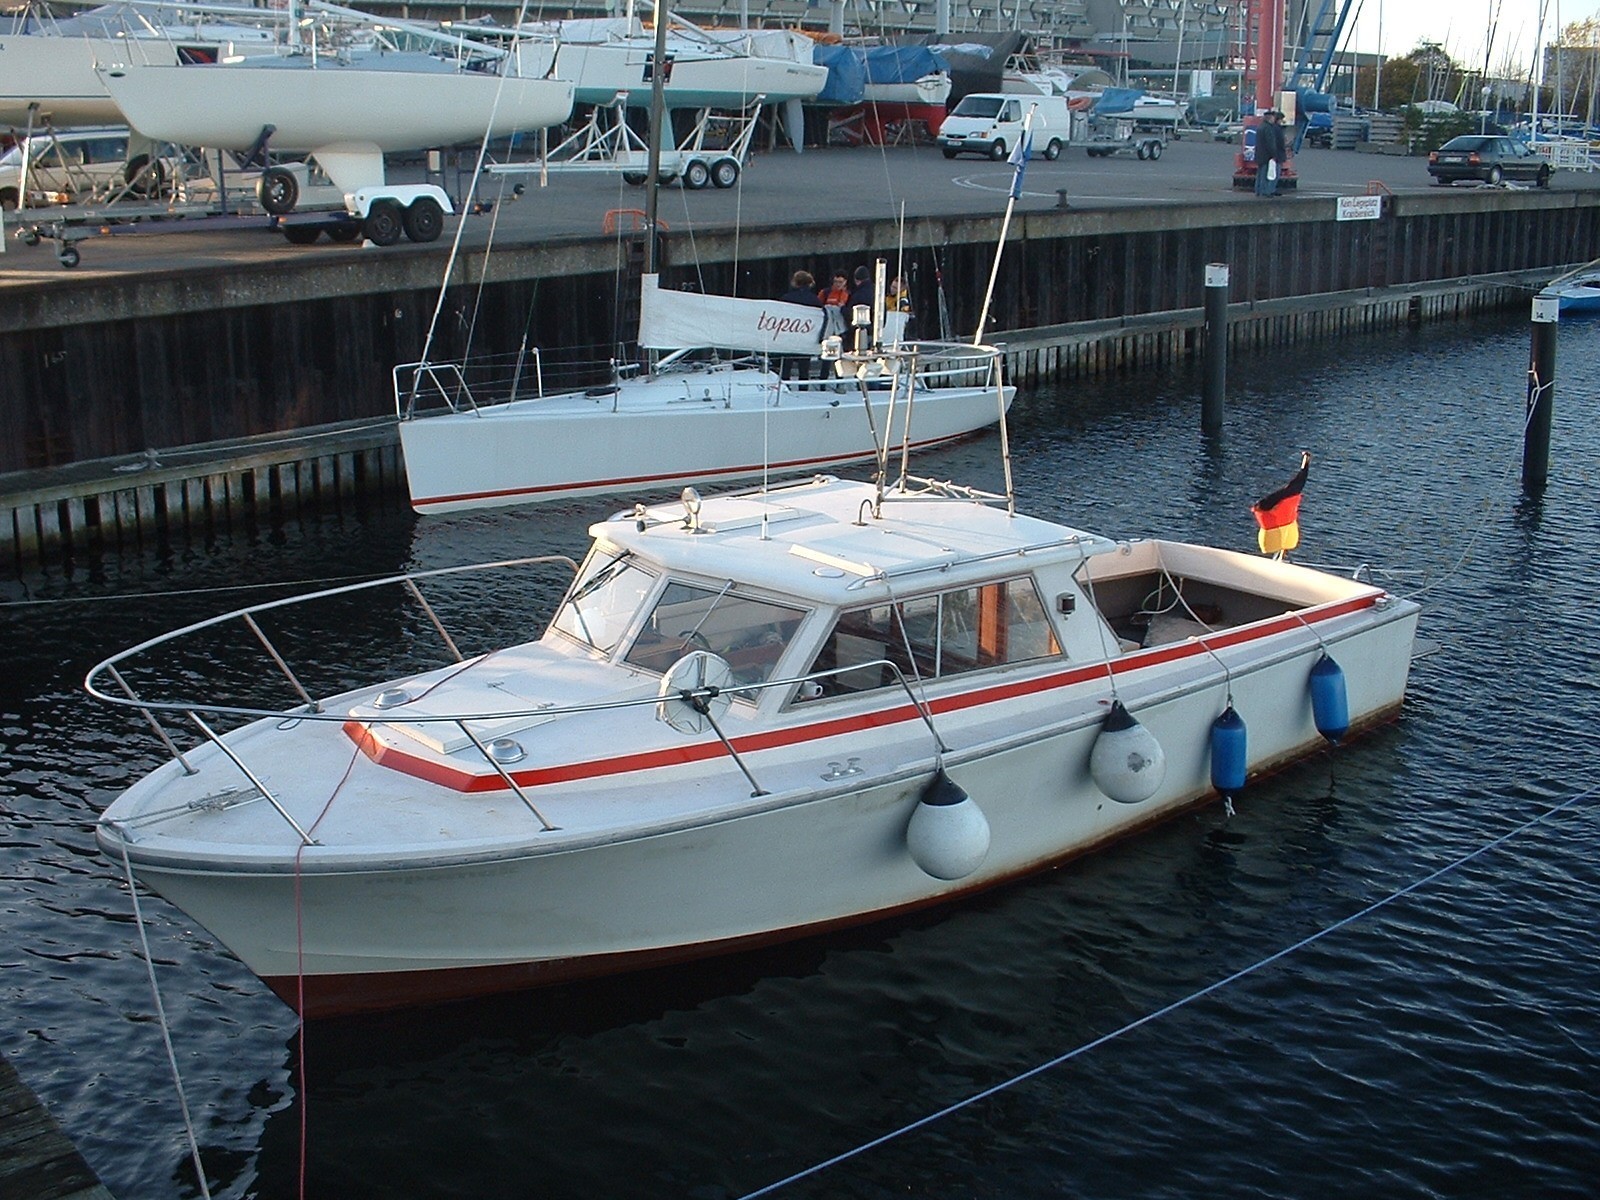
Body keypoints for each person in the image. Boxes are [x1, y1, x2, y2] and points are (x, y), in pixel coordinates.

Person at [778, 269, 824, 385]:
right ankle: (804, 390)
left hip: (789, 336)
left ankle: (785, 389)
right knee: (804, 370)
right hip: (806, 337)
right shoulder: (815, 300)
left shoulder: (786, 298)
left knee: (786, 368)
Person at [1254, 109, 1286, 198]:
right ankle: (1266, 192)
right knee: (1267, 175)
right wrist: (1274, 154)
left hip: (1260, 154)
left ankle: (1259, 191)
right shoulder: (1269, 128)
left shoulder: (1261, 126)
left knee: (1260, 174)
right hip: (1267, 155)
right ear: (1270, 118)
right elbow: (1270, 143)